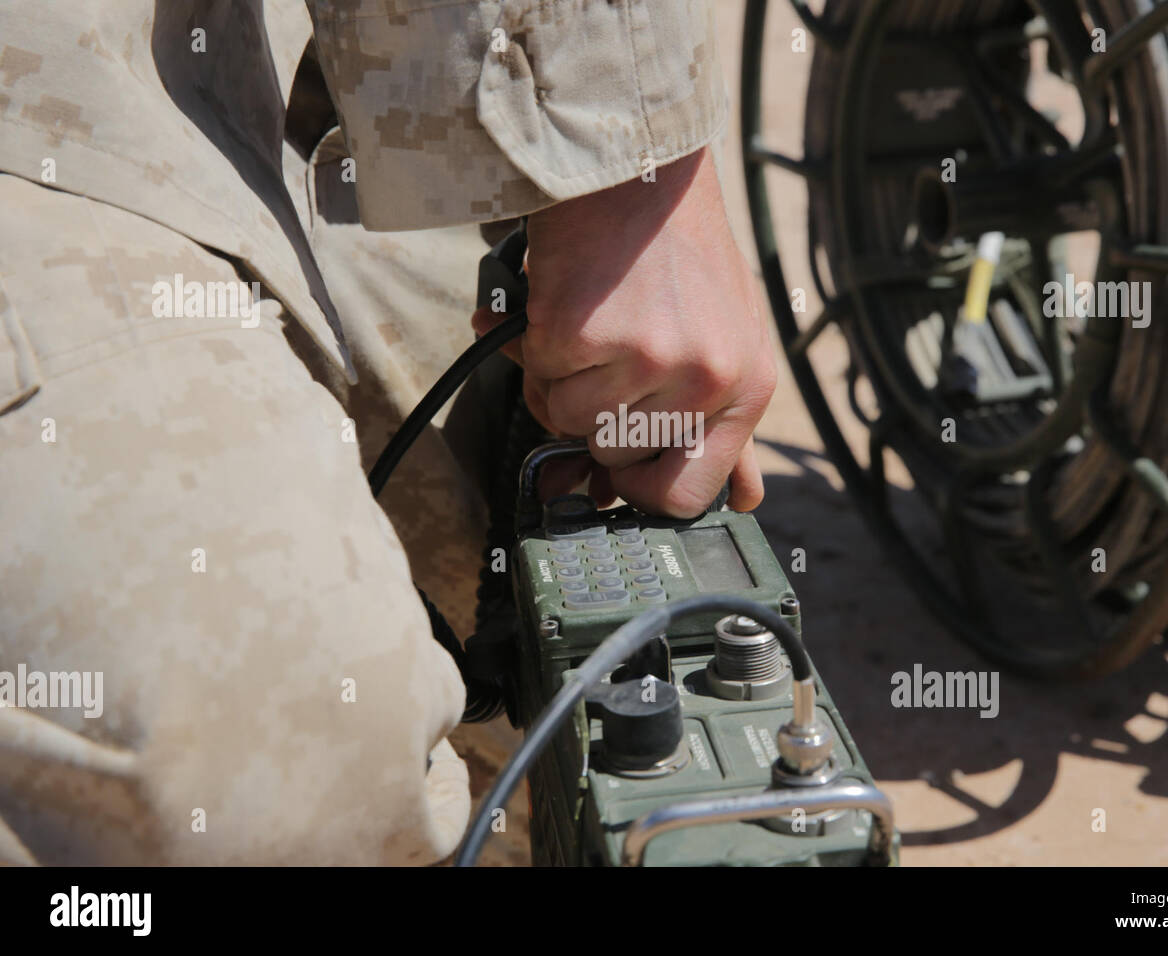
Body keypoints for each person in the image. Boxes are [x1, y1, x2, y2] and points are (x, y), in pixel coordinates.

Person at [0, 0, 776, 864]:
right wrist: (628, 186)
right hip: (44, 100)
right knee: (287, 744)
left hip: (233, 50)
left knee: (485, 436)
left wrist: (626, 172)